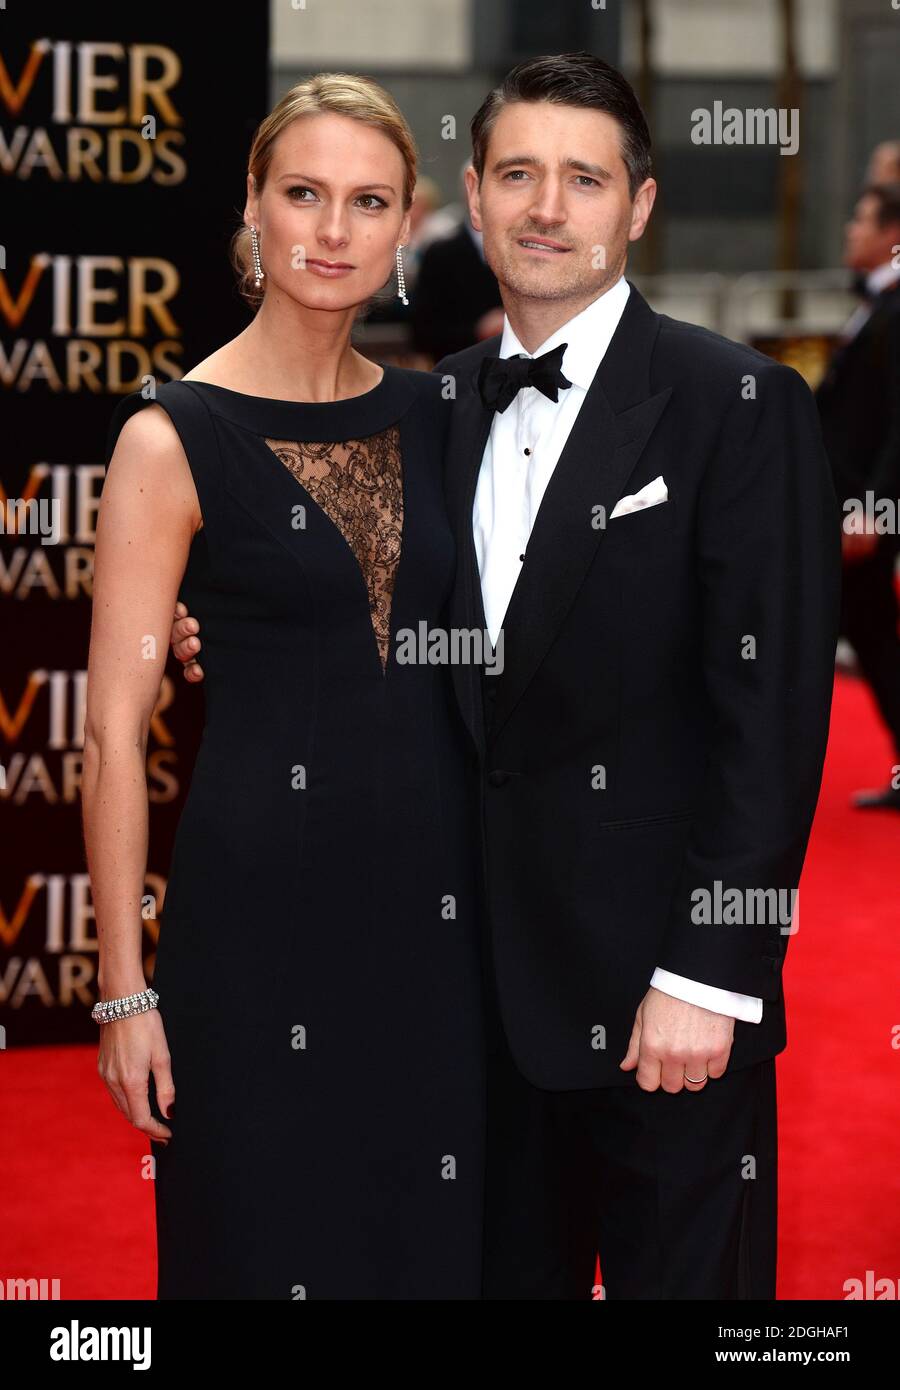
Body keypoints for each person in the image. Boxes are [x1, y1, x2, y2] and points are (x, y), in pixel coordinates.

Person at [172, 52, 842, 1300]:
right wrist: (223, 629)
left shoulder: (735, 402)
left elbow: (777, 715)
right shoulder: (433, 409)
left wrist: (711, 974)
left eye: (584, 179)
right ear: (472, 200)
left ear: (637, 207)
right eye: (519, 174)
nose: (547, 207)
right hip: (466, 1012)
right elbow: (359, 602)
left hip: (664, 1013)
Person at [83, 73, 487, 1300]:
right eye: (302, 194)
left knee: (427, 1254)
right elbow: (110, 733)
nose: (331, 230)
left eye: (368, 202)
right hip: (254, 924)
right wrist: (120, 991)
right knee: (257, 1244)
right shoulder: (170, 435)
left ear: (407, 224)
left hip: (438, 929)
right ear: (252, 213)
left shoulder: (443, 416)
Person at [816, 182, 900, 810]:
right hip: (854, 503)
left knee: (864, 630)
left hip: (868, 509)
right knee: (868, 632)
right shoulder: (876, 305)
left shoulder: (896, 310)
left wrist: (872, 504)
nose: (850, 229)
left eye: (861, 219)